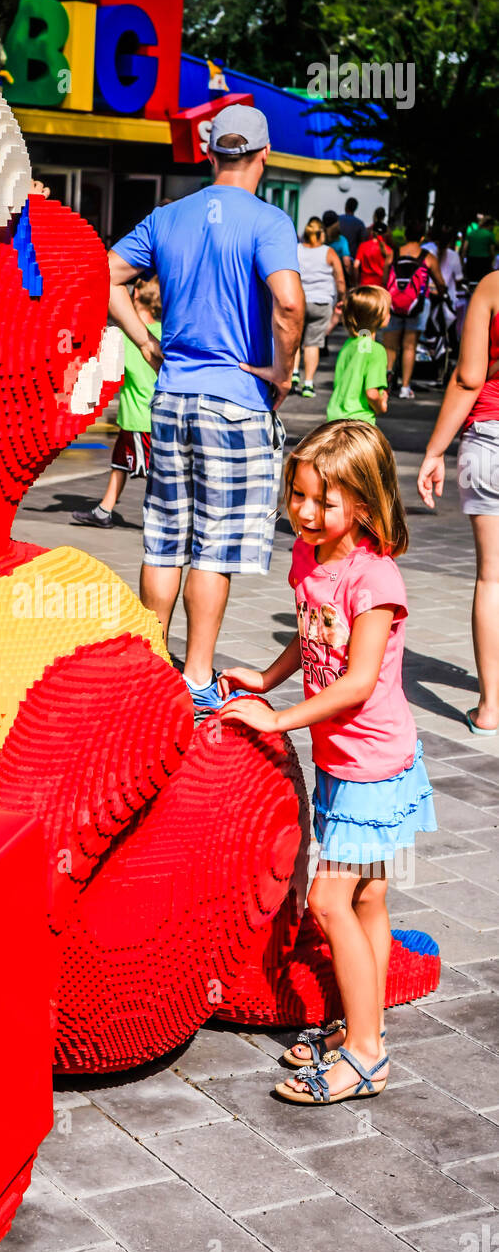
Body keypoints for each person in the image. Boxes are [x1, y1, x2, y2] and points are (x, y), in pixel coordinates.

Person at [219, 421, 436, 1104]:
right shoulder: (309, 560)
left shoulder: (375, 578)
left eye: (324, 502)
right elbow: (314, 649)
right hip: (340, 760)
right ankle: (357, 1027)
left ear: (365, 506)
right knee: (369, 899)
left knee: (326, 898)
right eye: (298, 496)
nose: (305, 514)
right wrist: (269, 678)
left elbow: (357, 680)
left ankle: (367, 1057)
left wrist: (277, 718)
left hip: (374, 764)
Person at [107, 103, 304, 713]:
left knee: (164, 536)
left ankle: (147, 663)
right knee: (213, 547)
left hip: (172, 399)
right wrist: (283, 370)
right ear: (264, 157)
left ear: (211, 153)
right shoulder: (269, 222)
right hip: (236, 399)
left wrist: (145, 339)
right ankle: (194, 677)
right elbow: (291, 306)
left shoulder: (167, 217)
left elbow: (105, 273)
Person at [417, 271, 499, 735]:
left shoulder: (492, 286)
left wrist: (434, 450)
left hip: (489, 437)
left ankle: (489, 708)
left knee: (492, 577)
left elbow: (469, 378)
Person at [72, 276, 162, 529]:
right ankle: (104, 510)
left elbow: (110, 371)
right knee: (119, 464)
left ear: (134, 298)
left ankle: (160, 522)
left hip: (141, 421)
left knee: (153, 475)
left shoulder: (129, 339)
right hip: (142, 419)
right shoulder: (164, 332)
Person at [382, 220, 446, 398]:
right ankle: (405, 387)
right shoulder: (427, 257)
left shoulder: (393, 254)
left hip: (393, 304)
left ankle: (386, 383)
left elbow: (385, 280)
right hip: (418, 306)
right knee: (410, 347)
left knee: (390, 347)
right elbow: (440, 282)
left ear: (405, 235)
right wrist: (441, 293)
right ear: (422, 237)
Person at [293, 220, 346, 397]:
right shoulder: (328, 252)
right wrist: (342, 297)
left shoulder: (296, 249)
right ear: (321, 234)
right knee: (312, 344)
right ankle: (308, 384)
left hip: (298, 300)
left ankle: (293, 373)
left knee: (295, 340)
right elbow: (339, 279)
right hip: (321, 303)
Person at [327, 287, 390, 424]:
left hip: (335, 417)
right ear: (376, 316)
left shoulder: (349, 344)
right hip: (359, 421)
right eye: (388, 310)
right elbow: (372, 394)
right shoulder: (376, 350)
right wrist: (381, 405)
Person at [424, 223, 466, 342]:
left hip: (426, 298)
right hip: (445, 302)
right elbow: (458, 280)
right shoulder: (453, 256)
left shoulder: (425, 251)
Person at [354, 221, 393, 289]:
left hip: (365, 285)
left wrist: (356, 283)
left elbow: (355, 265)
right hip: (380, 287)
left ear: (372, 232)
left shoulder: (363, 246)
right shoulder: (389, 250)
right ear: (385, 234)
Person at [462, 214, 496, 284]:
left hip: (471, 260)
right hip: (484, 262)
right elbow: (492, 252)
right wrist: (493, 262)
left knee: (471, 282)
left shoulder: (471, 233)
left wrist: (463, 262)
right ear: (489, 225)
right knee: (482, 282)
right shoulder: (489, 234)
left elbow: (464, 249)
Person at [321, 209, 353, 285]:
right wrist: (351, 277)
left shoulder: (319, 239)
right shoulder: (341, 240)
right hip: (337, 278)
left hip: (322, 278)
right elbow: (347, 263)